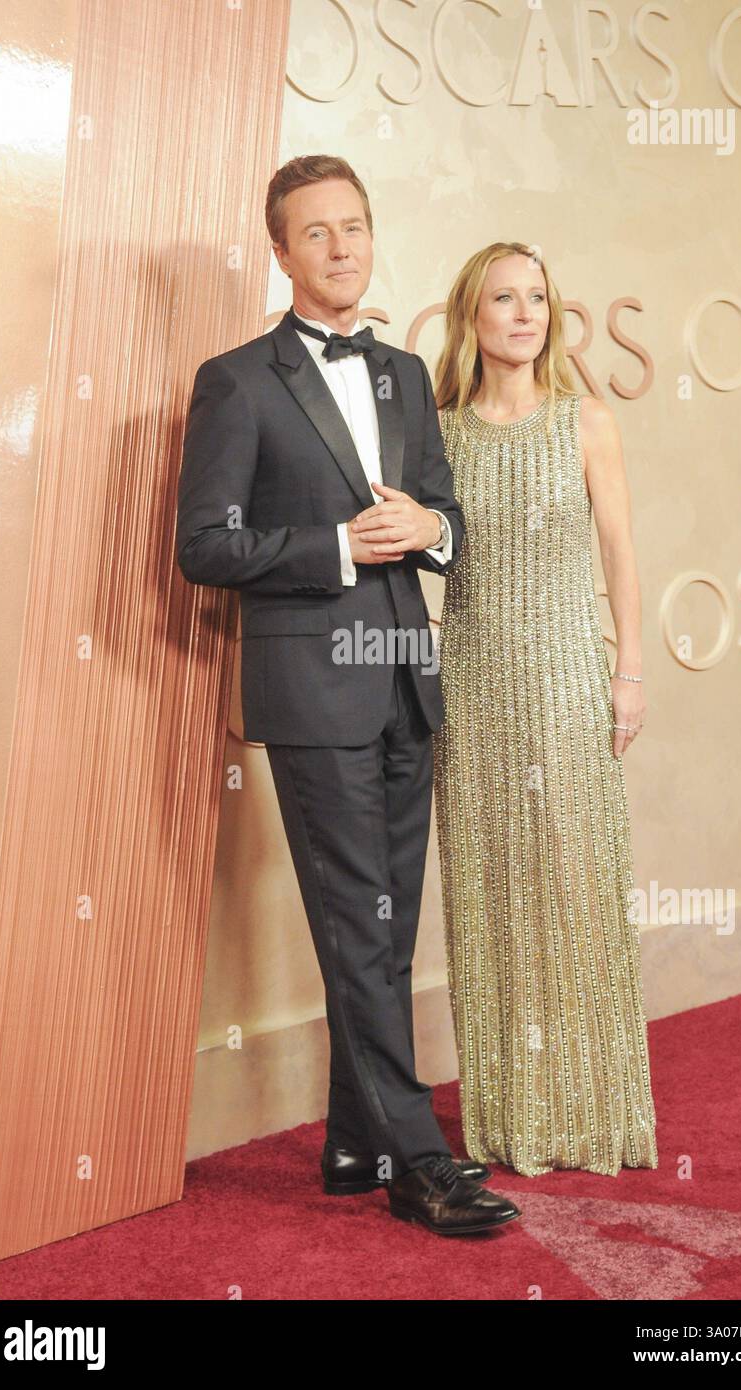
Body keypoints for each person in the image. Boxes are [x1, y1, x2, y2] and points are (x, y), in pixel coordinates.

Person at [176, 155, 521, 1235]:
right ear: (279, 251)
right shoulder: (235, 380)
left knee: (383, 927)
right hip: (313, 695)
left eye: (355, 226)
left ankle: (352, 1141)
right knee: (358, 930)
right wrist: (332, 545)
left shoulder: (406, 374)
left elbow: (451, 523)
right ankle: (417, 1161)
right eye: (315, 232)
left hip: (406, 692)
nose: (341, 247)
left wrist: (434, 530)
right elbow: (203, 546)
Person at [431, 241, 659, 1177]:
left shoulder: (585, 421)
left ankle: (590, 1108)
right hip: (474, 688)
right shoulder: (438, 434)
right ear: (471, 318)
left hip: (567, 679)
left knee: (573, 885)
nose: (525, 314)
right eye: (504, 299)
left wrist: (629, 670)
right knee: (488, 891)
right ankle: (510, 1121)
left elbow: (621, 553)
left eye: (538, 298)